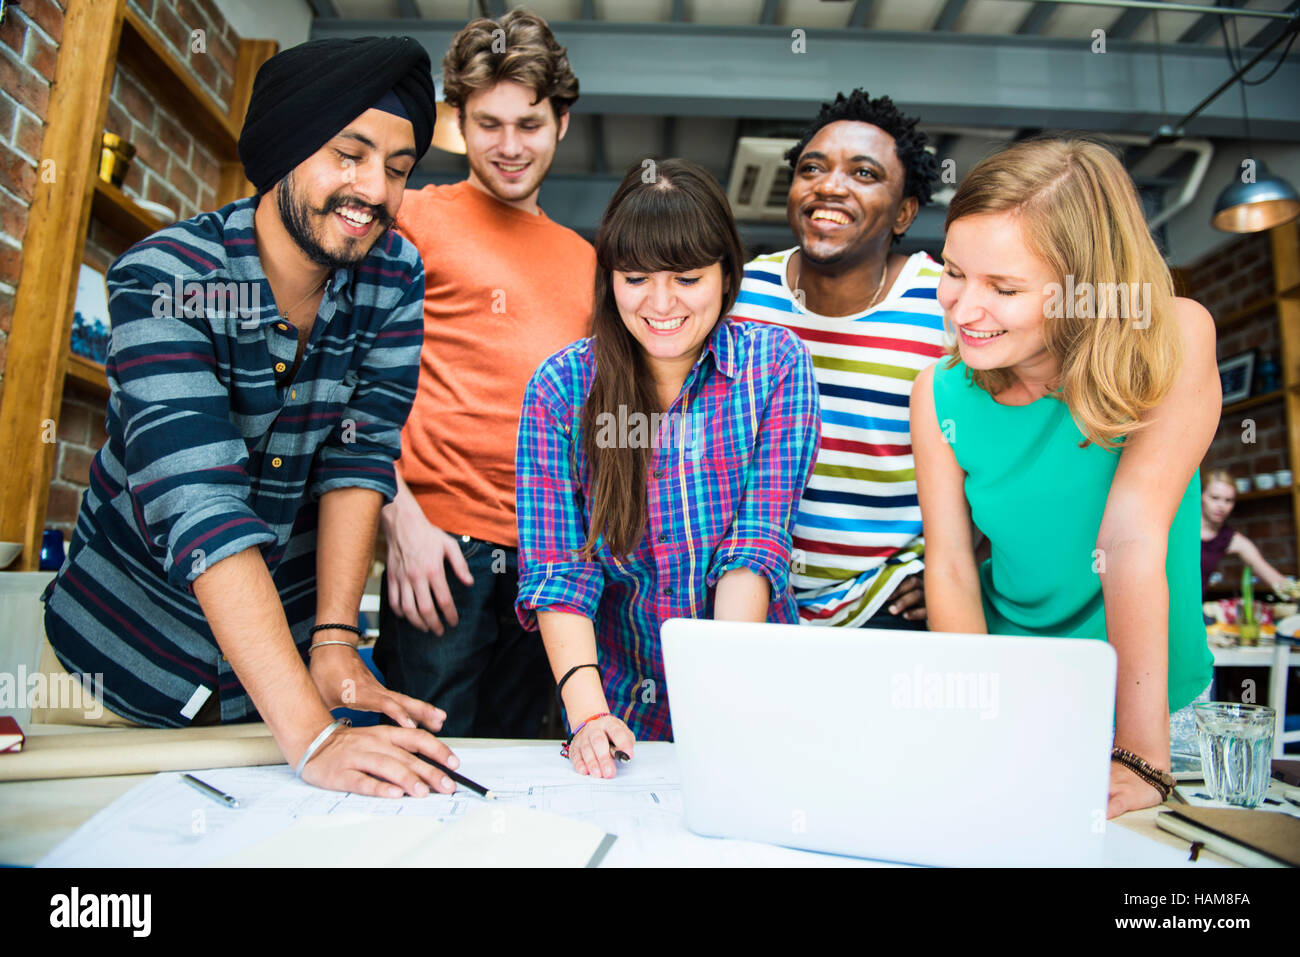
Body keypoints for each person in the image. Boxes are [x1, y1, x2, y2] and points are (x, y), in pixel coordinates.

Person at [39, 37, 464, 798]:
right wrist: (313, 739)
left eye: (399, 170)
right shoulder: (164, 278)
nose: (376, 190)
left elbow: (359, 459)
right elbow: (200, 505)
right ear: (288, 149)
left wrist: (334, 640)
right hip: (117, 680)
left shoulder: (392, 277)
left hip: (278, 691)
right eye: (350, 154)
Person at [911, 137, 1218, 818]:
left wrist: (1140, 753)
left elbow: (1133, 539)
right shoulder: (938, 393)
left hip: (1154, 707)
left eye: (1005, 288)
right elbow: (953, 566)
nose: (962, 309)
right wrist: (975, 717)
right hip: (1016, 695)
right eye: (955, 272)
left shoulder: (1174, 337)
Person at [515, 158, 820, 777]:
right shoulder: (561, 388)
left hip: (754, 690)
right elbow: (558, 573)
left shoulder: (775, 366)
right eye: (636, 279)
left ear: (726, 275)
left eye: (686, 278)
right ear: (609, 281)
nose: (660, 304)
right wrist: (588, 715)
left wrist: (720, 705)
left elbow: (755, 546)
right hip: (624, 704)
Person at [373, 9, 595, 738]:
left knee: (530, 777)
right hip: (442, 553)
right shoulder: (410, 218)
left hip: (549, 560)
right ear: (457, 124)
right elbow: (343, 375)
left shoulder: (590, 263)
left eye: (528, 124)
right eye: (487, 123)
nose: (507, 146)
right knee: (429, 768)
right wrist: (397, 515)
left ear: (561, 122)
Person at [729, 90, 946, 630]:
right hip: (748, 595)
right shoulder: (740, 296)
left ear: (904, 212)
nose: (830, 186)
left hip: (884, 597)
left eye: (864, 173)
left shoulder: (945, 302)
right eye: (812, 168)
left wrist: (959, 563)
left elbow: (998, 448)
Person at [1201, 468, 1294, 594]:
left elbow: (1268, 574)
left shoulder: (1229, 538)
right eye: (1215, 498)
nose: (1221, 506)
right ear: (1200, 496)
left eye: (1228, 500)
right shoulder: (1180, 528)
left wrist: (1294, 591)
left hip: (1194, 607)